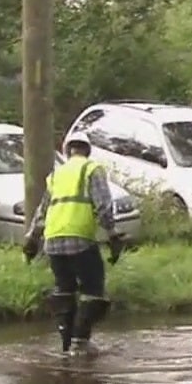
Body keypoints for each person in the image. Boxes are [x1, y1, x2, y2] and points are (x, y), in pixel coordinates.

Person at [23, 133, 124, 354]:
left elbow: (43, 211)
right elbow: (103, 205)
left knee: (64, 290)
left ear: (67, 150)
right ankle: (80, 343)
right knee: (93, 289)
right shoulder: (91, 169)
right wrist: (112, 234)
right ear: (87, 151)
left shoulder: (56, 175)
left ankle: (66, 344)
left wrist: (32, 238)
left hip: (53, 241)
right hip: (80, 238)